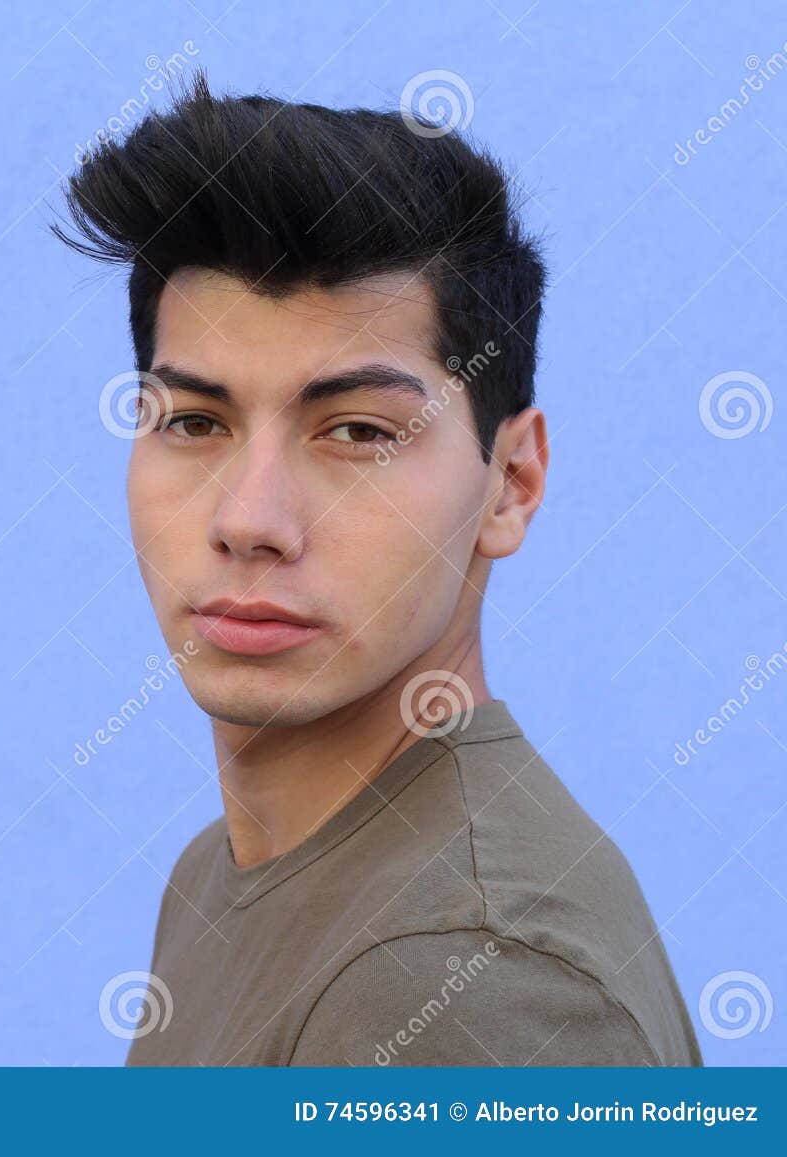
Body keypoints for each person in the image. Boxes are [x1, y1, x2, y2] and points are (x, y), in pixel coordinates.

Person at [54, 73, 701, 1066]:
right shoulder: (224, 872)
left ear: (510, 483)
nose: (249, 519)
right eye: (193, 421)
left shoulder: (467, 976)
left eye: (358, 432)